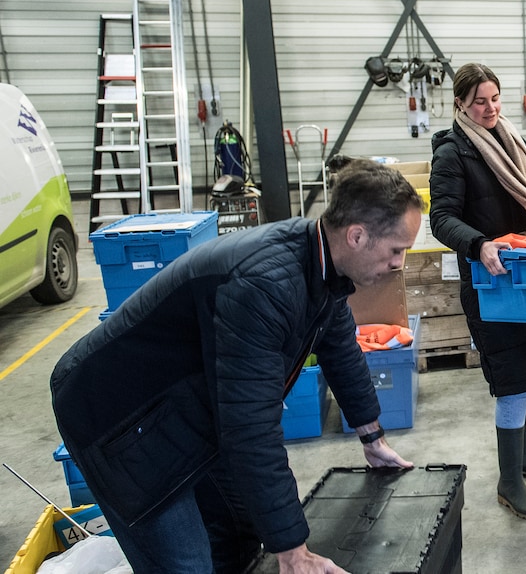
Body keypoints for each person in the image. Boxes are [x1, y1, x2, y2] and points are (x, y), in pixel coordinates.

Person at [50, 159, 423, 574]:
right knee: (185, 563)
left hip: (186, 405)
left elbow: (339, 346)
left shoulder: (320, 264)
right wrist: (293, 550)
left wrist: (371, 436)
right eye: (396, 250)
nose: (399, 263)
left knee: (239, 534)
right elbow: (250, 426)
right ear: (357, 236)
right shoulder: (264, 285)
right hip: (117, 418)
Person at [429, 62, 526, 522]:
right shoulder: (453, 153)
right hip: (492, 280)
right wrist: (479, 243)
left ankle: (523, 459)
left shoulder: (510, 139)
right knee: (512, 379)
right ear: (460, 104)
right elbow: (442, 219)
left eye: (494, 98)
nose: (489, 109)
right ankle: (509, 482)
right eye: (479, 102)